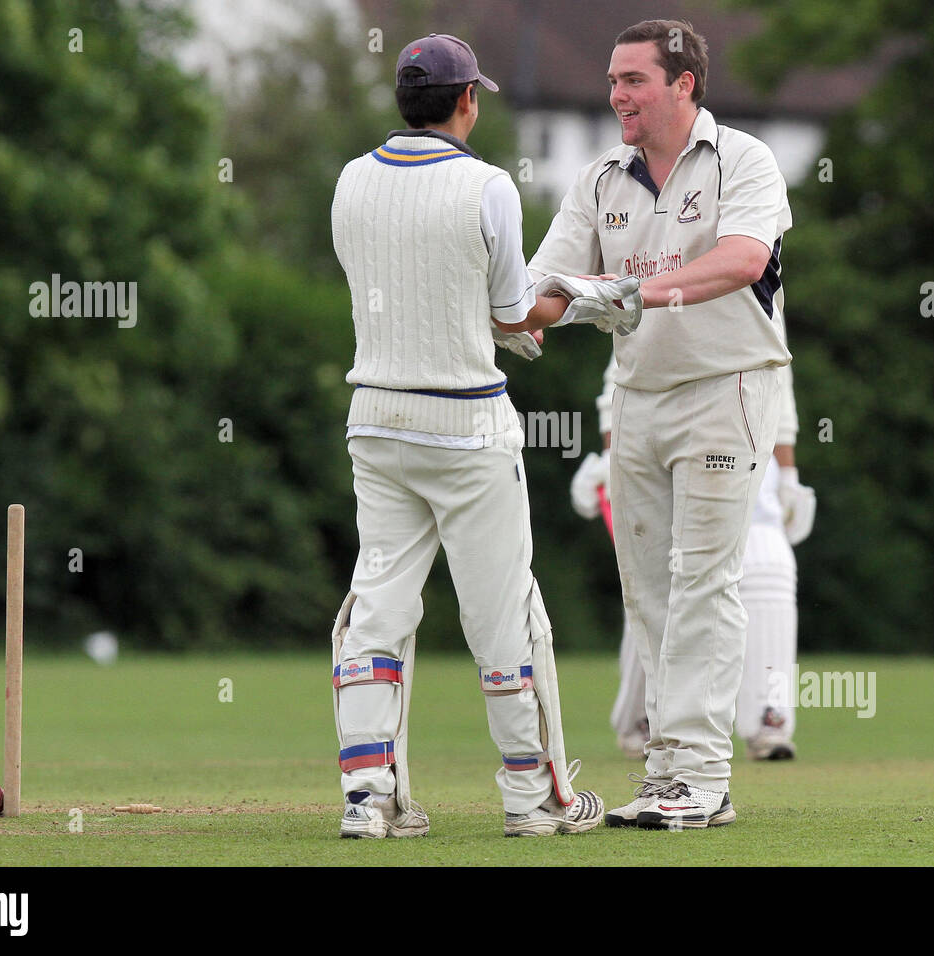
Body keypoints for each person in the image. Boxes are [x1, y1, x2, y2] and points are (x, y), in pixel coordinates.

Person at [328, 33, 635, 839]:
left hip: (376, 420)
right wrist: (596, 296)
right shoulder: (487, 186)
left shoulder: (352, 181)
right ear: (467, 101)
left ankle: (369, 794)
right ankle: (533, 798)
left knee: (379, 606)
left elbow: (403, 294)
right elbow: (511, 316)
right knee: (506, 616)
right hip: (465, 426)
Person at [529, 19, 793, 829]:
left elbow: (744, 259)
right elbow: (546, 287)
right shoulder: (602, 176)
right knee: (648, 594)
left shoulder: (743, 160)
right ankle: (669, 771)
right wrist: (505, 313)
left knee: (705, 581)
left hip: (725, 390)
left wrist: (633, 292)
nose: (616, 96)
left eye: (633, 80)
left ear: (684, 84)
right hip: (638, 397)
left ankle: (701, 776)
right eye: (612, 81)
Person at [573, 339, 815, 764]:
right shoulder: (655, 274)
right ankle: (647, 717)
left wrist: (788, 472)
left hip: (740, 427)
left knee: (766, 557)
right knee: (662, 569)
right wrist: (613, 454)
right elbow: (625, 370)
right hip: (660, 436)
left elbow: (778, 374)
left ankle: (767, 716)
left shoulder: (758, 274)